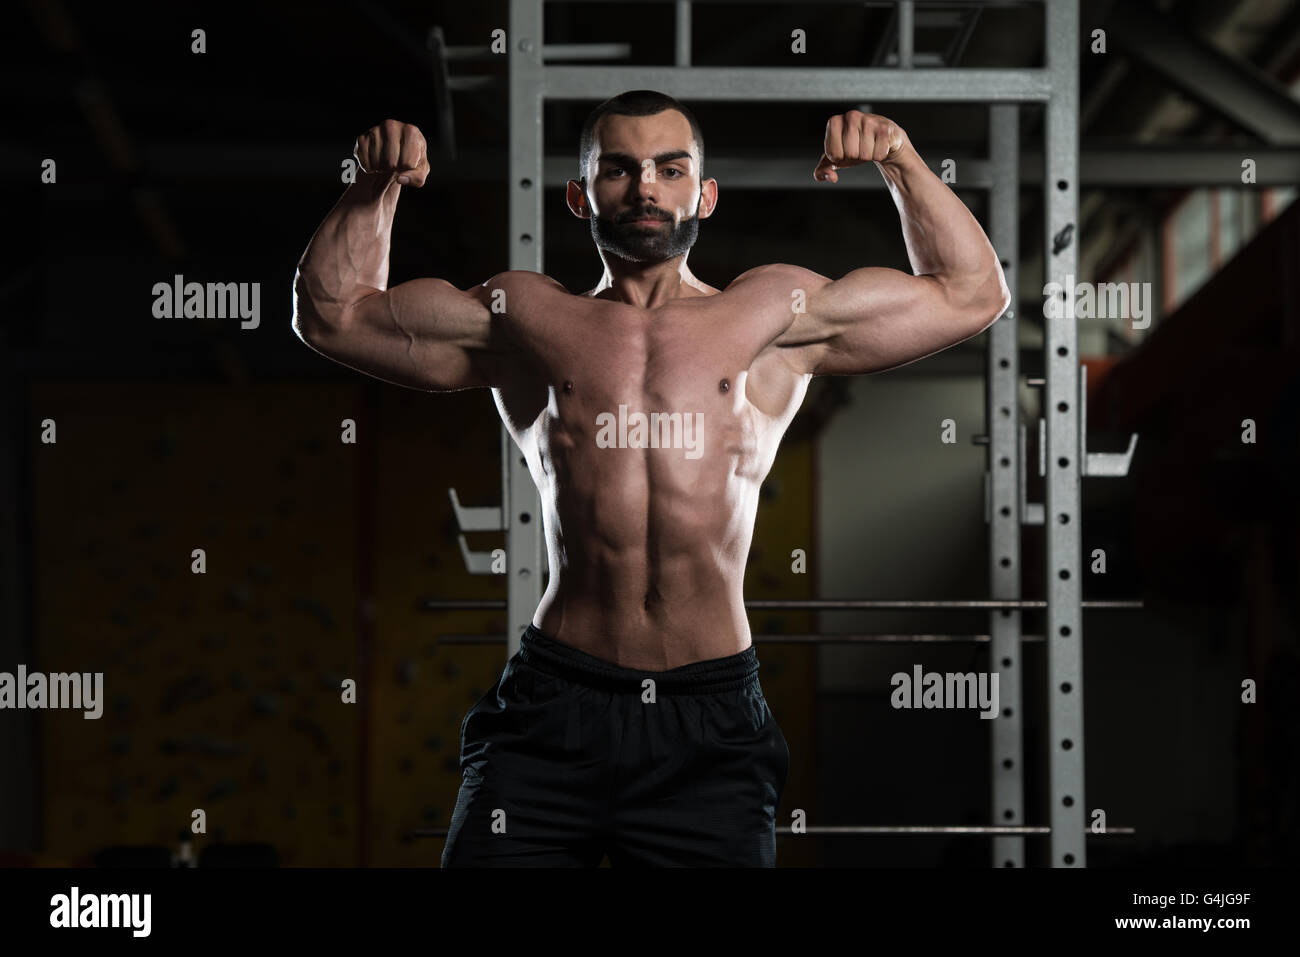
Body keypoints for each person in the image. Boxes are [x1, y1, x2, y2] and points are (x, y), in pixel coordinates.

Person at [291, 90, 1009, 866]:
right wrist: (374, 186)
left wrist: (900, 157)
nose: (645, 188)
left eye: (671, 169)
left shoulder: (773, 316)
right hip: (552, 712)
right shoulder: (526, 319)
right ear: (580, 195)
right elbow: (332, 314)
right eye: (619, 170)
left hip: (710, 724)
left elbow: (971, 293)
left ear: (704, 193)